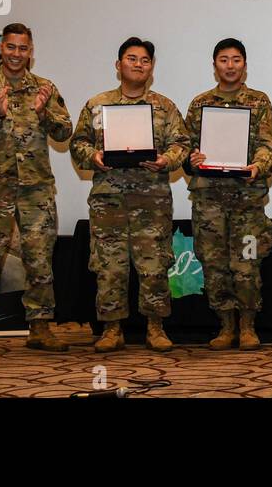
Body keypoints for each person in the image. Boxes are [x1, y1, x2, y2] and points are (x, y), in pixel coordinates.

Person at [0, 23, 72, 354]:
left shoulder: (45, 89)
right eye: (11, 47)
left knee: (39, 258)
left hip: (36, 188)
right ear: (1, 48)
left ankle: (40, 327)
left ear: (31, 51)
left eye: (23, 48)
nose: (17, 54)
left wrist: (44, 113)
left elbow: (65, 132)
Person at [71, 37, 187, 353]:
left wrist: (167, 160)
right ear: (118, 64)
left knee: (154, 265)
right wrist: (92, 156)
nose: (138, 64)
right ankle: (111, 329)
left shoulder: (164, 107)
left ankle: (156, 327)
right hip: (109, 200)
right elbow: (77, 142)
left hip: (152, 200)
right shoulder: (97, 105)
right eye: (131, 58)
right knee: (109, 265)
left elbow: (182, 145)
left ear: (152, 67)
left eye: (145, 60)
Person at [182, 38, 272, 351]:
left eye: (236, 60)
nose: (230, 66)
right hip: (209, 200)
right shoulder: (199, 104)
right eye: (224, 60)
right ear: (214, 66)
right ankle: (225, 325)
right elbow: (184, 148)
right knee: (214, 263)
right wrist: (190, 160)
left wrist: (259, 165)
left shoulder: (260, 102)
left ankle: (248, 325)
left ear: (245, 65)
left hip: (247, 201)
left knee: (247, 263)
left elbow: (267, 146)